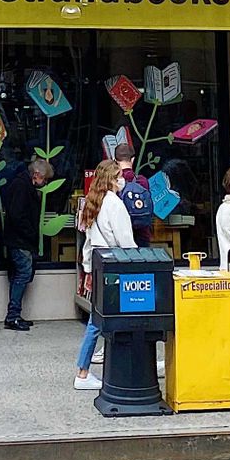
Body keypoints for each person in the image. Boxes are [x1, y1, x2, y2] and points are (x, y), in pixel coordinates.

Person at [73, 160, 134, 392]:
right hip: (117, 265)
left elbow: (88, 245)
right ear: (111, 178)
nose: (123, 179)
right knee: (113, 320)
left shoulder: (93, 203)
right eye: (119, 175)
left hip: (99, 265)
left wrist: (88, 270)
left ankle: (85, 369)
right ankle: (84, 371)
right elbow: (125, 241)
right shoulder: (115, 205)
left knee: (97, 320)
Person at [0, 157, 50, 331]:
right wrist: (30, 233)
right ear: (37, 174)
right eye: (45, 178)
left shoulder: (20, 184)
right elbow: (17, 215)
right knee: (23, 274)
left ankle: (14, 314)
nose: (45, 182)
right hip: (21, 240)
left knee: (20, 275)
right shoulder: (22, 186)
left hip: (18, 239)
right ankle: (13, 315)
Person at [113, 142, 154, 246]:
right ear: (132, 159)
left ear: (114, 161)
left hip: (120, 233)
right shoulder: (142, 181)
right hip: (142, 232)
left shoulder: (113, 181)